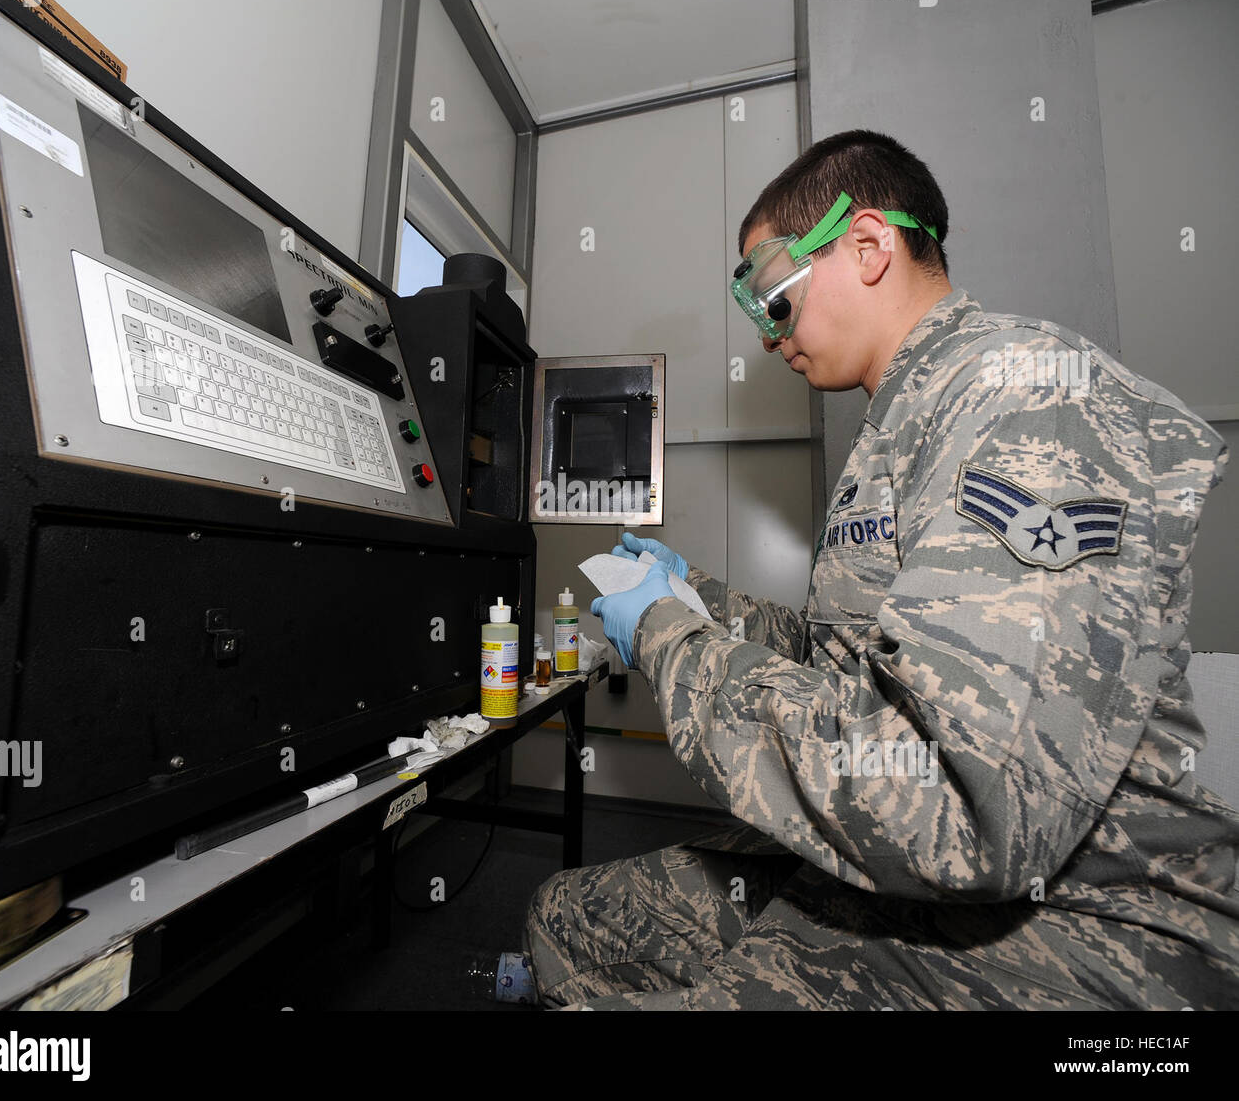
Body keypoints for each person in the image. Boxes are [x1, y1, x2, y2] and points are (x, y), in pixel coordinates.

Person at [521, 129, 1239, 1010]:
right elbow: (854, 660)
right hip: (931, 888)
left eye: (771, 292)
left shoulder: (1026, 396)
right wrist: (696, 598)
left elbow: (956, 799)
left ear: (865, 247)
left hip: (1087, 932)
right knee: (568, 912)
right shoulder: (908, 418)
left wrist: (669, 640)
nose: (768, 333)